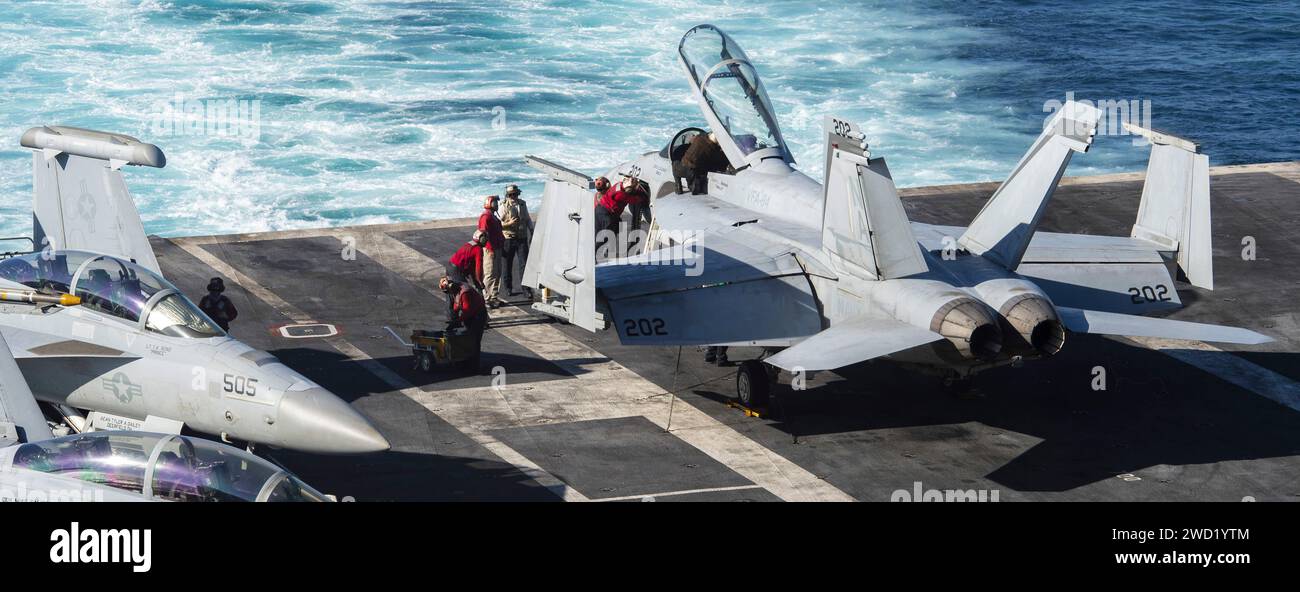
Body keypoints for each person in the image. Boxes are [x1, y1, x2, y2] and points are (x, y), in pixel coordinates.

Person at [498, 184, 534, 298]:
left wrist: (532, 230)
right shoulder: (503, 206)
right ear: (507, 195)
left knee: (524, 265)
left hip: (522, 238)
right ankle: (508, 288)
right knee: (507, 265)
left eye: (515, 194)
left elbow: (527, 218)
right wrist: (509, 224)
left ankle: (526, 289)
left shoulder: (523, 204)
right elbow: (498, 224)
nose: (513, 196)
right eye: (511, 195)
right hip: (508, 239)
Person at [440, 276, 487, 358]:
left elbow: (467, 311)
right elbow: (456, 304)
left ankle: (473, 363)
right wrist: (454, 316)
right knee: (467, 337)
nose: (448, 294)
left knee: (474, 340)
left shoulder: (465, 292)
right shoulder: (457, 289)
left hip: (478, 315)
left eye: (447, 291)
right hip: (471, 314)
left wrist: (458, 321)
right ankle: (467, 359)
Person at [478, 194, 505, 308]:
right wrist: (489, 248)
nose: (496, 205)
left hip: (497, 248)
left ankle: (494, 296)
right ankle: (486, 299)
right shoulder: (486, 216)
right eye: (494, 202)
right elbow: (483, 233)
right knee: (489, 274)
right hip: (491, 250)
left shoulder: (492, 216)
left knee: (497, 273)